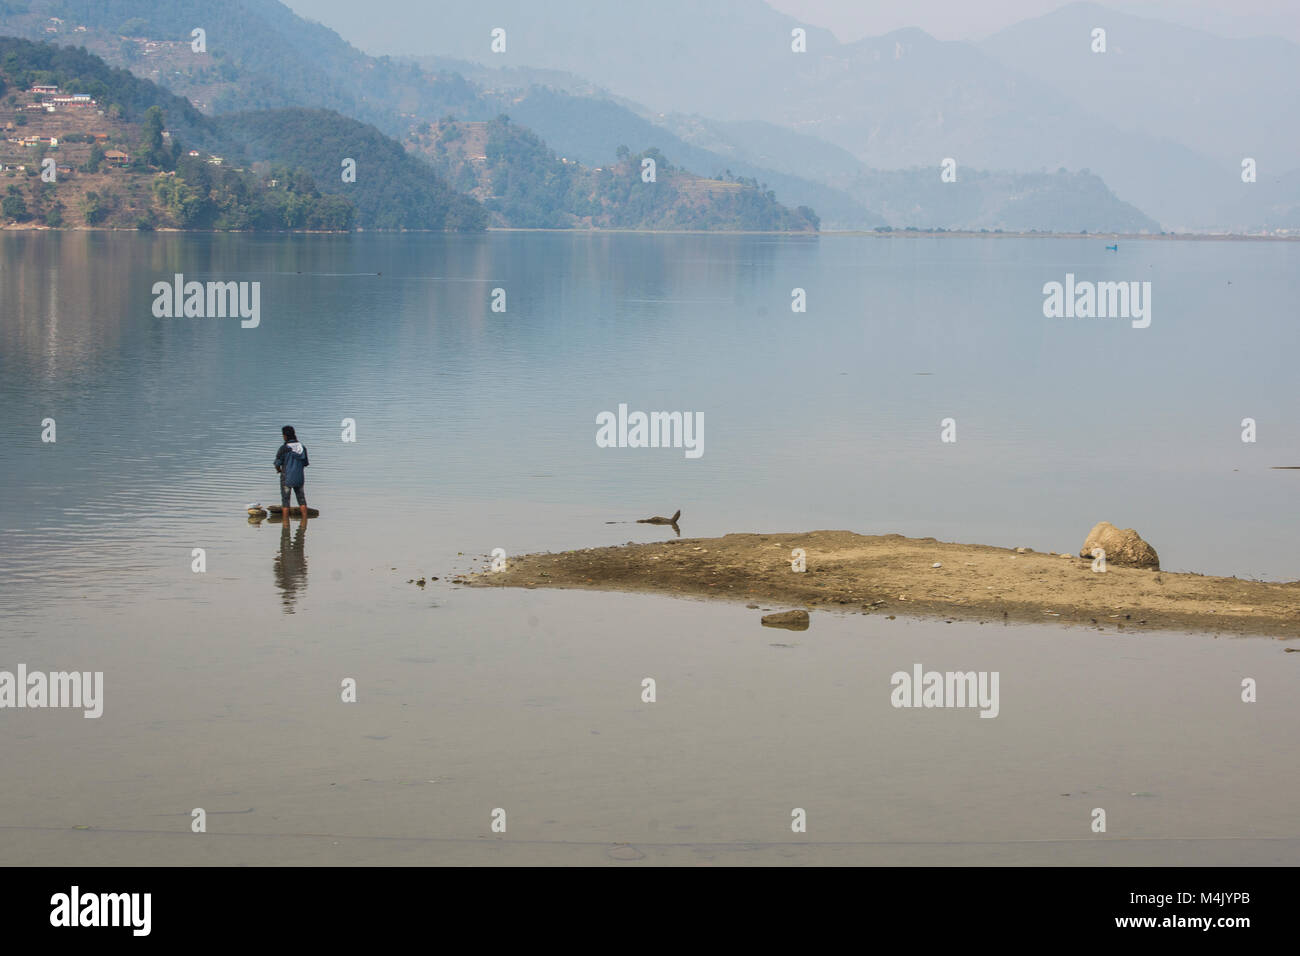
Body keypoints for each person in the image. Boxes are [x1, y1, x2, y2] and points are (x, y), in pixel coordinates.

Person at [274, 425, 309, 518]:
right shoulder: (302, 448)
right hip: (299, 478)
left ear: (285, 436)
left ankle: (285, 525)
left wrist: (279, 470)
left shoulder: (284, 448)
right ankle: (304, 521)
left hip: (287, 478)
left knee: (285, 502)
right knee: (301, 499)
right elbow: (305, 463)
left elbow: (277, 463)